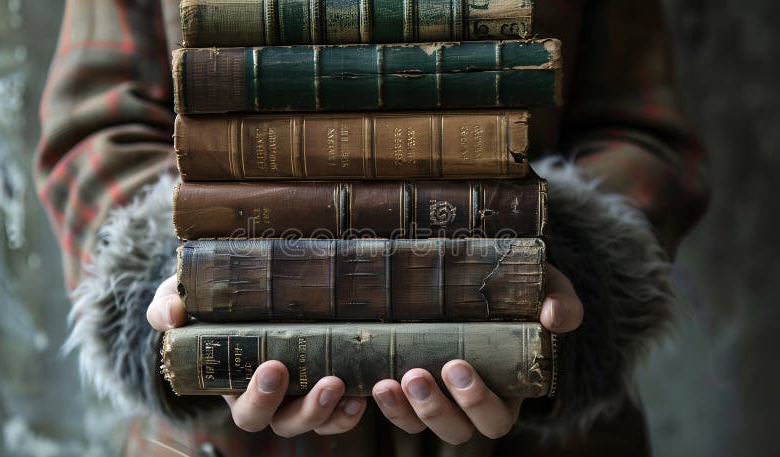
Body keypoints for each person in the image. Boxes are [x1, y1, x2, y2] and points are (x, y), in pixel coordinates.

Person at [35, 0, 709, 455]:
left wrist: (539, 272)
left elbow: (639, 133)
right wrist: (203, 282)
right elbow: (94, 134)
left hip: (538, 431)